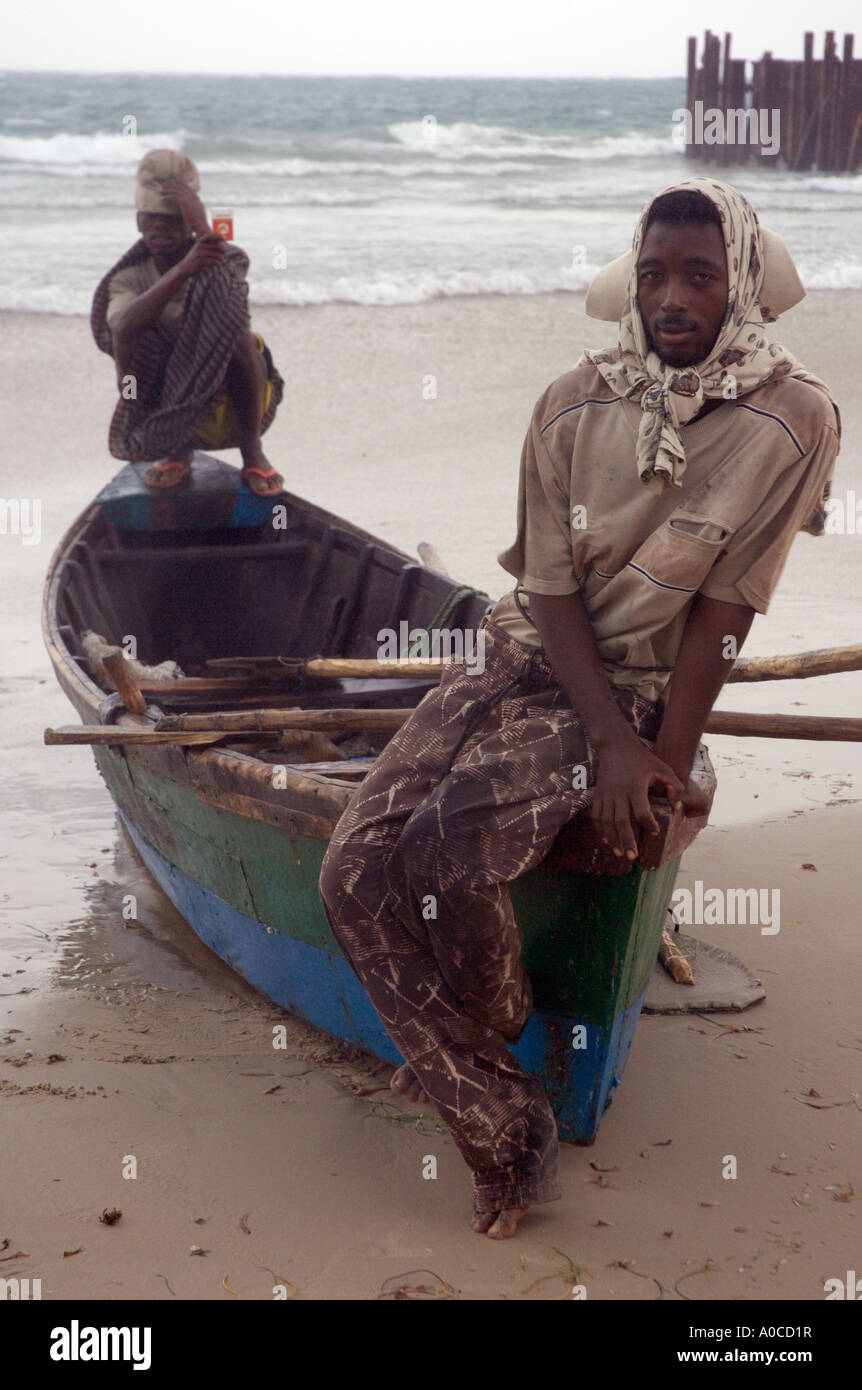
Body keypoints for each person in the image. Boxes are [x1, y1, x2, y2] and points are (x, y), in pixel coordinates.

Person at [318, 178, 841, 1240]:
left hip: (644, 681)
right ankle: (494, 1050)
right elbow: (546, 588)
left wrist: (652, 757)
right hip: (524, 650)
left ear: (738, 279)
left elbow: (725, 609)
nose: (671, 298)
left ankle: (493, 1131)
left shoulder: (793, 421)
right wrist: (601, 741)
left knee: (452, 852)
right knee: (354, 867)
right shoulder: (571, 401)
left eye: (699, 274)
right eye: (652, 275)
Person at [91, 150, 284, 496]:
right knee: (135, 333)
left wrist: (202, 229)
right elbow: (121, 330)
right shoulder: (129, 278)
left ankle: (252, 452)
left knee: (240, 336)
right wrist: (183, 271)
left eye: (175, 219)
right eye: (152, 219)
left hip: (234, 399)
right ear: (139, 222)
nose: (161, 228)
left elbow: (232, 306)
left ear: (190, 222)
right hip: (166, 406)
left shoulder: (225, 261)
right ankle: (178, 448)